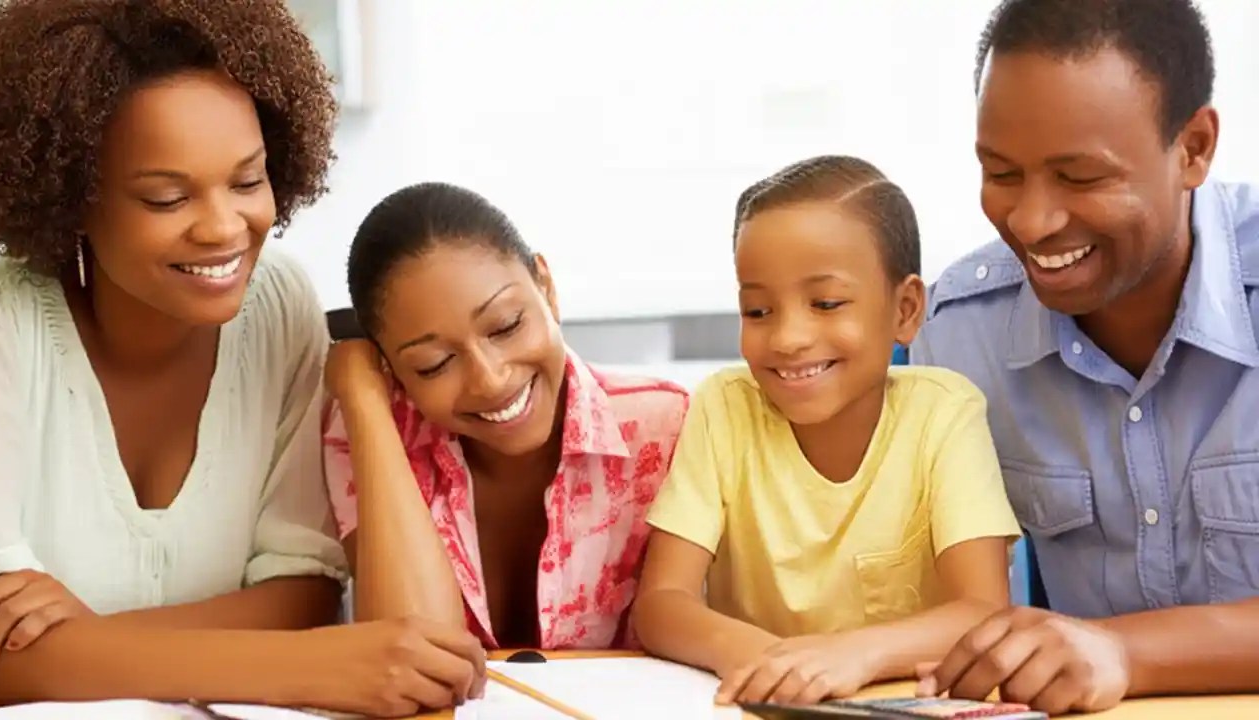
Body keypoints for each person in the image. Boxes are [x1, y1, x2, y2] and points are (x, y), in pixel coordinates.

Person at [0, 1, 484, 715]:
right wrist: (306, 667)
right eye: (166, 197)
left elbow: (304, 594)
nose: (224, 228)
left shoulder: (278, 305)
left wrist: (80, 650)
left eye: (247, 182)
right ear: (72, 199)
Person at [911, 0, 1259, 714]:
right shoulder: (959, 337)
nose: (1032, 222)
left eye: (1080, 178)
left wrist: (1128, 653)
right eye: (1001, 173)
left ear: (1193, 148)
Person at [631, 155, 1023, 706]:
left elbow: (985, 611)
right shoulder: (724, 407)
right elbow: (661, 603)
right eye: (758, 310)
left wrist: (853, 655)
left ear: (905, 309)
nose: (788, 337)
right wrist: (774, 663)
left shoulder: (944, 413)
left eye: (826, 303)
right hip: (765, 701)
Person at [321, 182, 690, 652]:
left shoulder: (666, 428)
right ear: (391, 368)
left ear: (546, 287)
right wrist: (363, 398)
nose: (490, 380)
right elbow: (417, 659)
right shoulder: (364, 433)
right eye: (434, 363)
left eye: (506, 326)